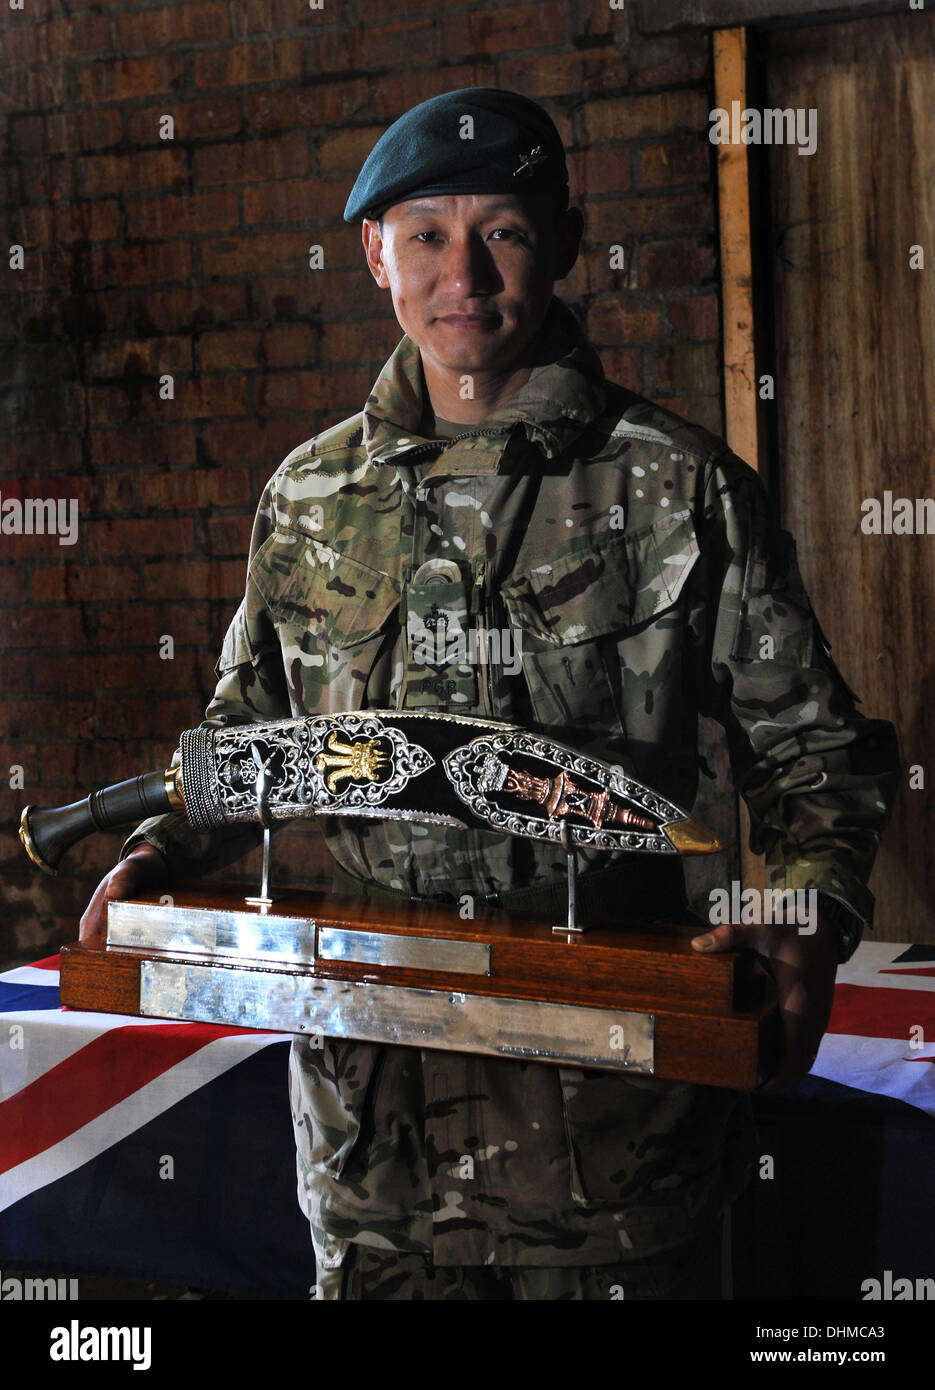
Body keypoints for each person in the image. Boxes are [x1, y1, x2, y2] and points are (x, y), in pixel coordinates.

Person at [80, 89, 898, 1300]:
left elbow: (813, 753)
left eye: (502, 231)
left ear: (561, 244)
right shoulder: (306, 499)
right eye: (425, 234)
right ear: (374, 255)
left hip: (616, 1139)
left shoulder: (676, 488)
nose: (461, 271)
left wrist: (807, 916)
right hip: (374, 1149)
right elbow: (250, 734)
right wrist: (159, 853)